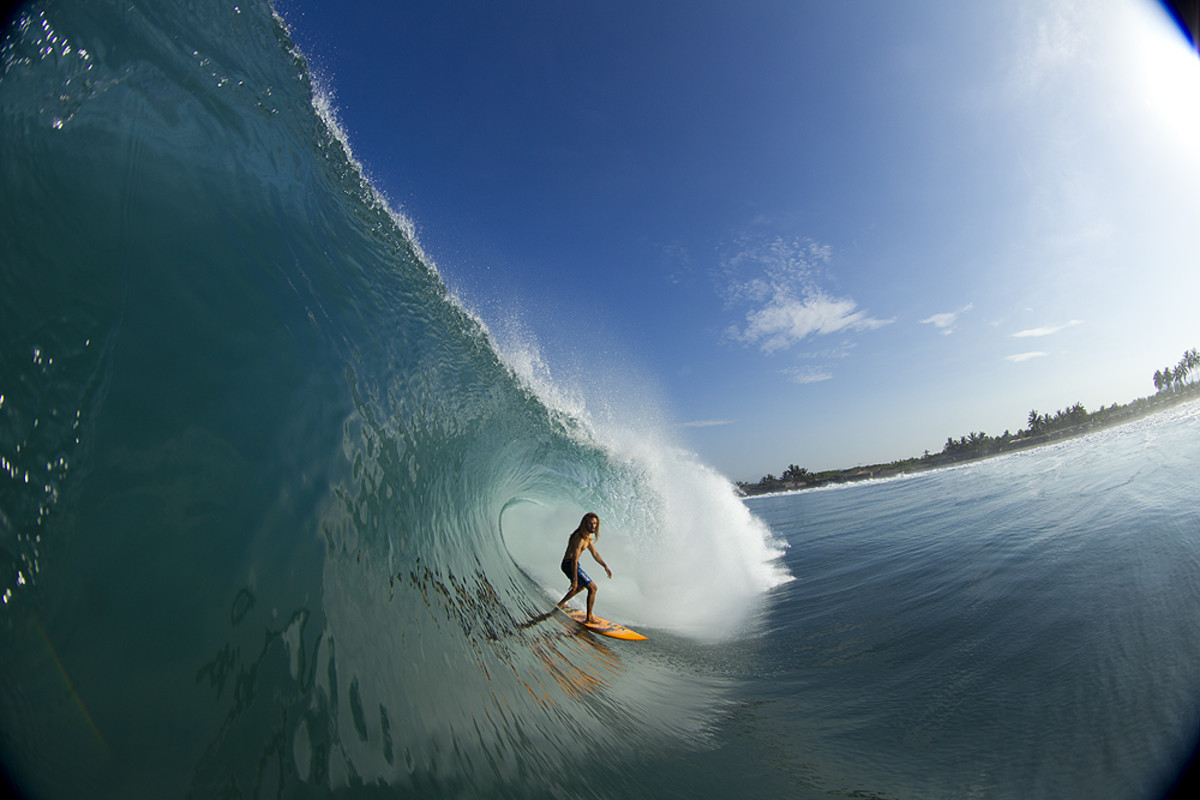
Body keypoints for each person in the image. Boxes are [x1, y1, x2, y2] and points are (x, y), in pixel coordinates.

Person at [557, 512, 612, 623]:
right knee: (593, 588)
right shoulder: (579, 537)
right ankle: (589, 618)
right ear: (585, 523)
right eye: (591, 524)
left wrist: (605, 566)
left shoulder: (587, 537)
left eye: (595, 524)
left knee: (581, 586)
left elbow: (595, 553)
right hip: (569, 564)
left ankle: (561, 604)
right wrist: (574, 580)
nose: (593, 526)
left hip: (573, 564)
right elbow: (574, 559)